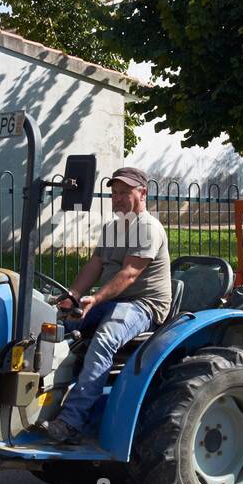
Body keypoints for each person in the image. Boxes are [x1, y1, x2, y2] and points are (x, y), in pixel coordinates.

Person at [38, 167, 171, 444]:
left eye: (125, 192)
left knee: (104, 339)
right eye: (115, 193)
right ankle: (39, 404)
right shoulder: (113, 227)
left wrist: (95, 299)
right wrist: (73, 295)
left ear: (142, 193)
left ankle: (71, 421)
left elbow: (129, 274)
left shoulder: (147, 228)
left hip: (143, 304)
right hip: (113, 299)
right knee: (57, 325)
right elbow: (95, 265)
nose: (118, 199)